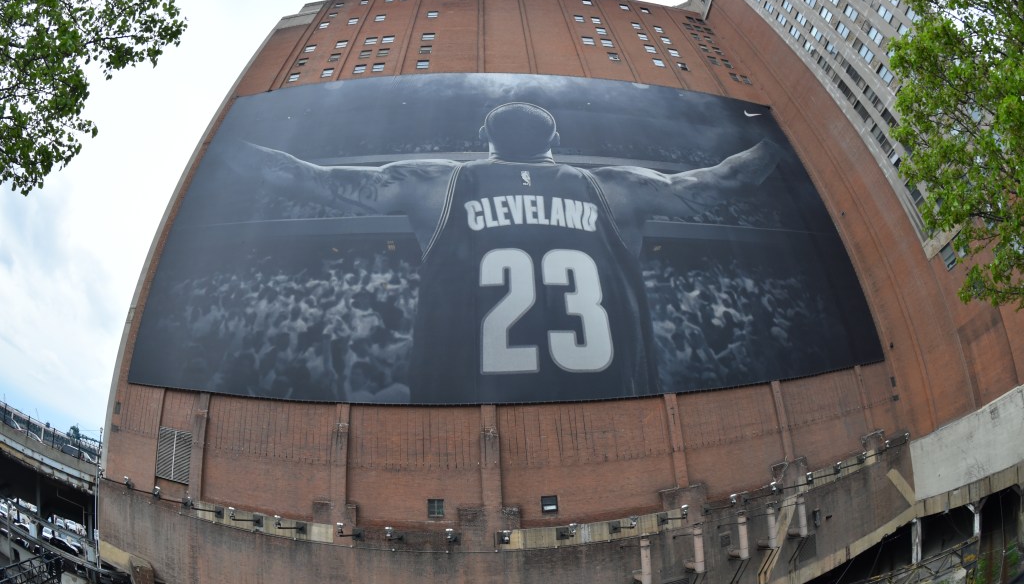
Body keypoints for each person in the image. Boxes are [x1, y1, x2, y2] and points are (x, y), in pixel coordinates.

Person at [234, 102, 781, 403]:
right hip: (609, 403)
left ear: (485, 139)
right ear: (556, 140)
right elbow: (723, 183)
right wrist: (778, 133)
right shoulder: (615, 186)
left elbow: (309, 178)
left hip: (469, 409)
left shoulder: (435, 182)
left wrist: (230, 142)